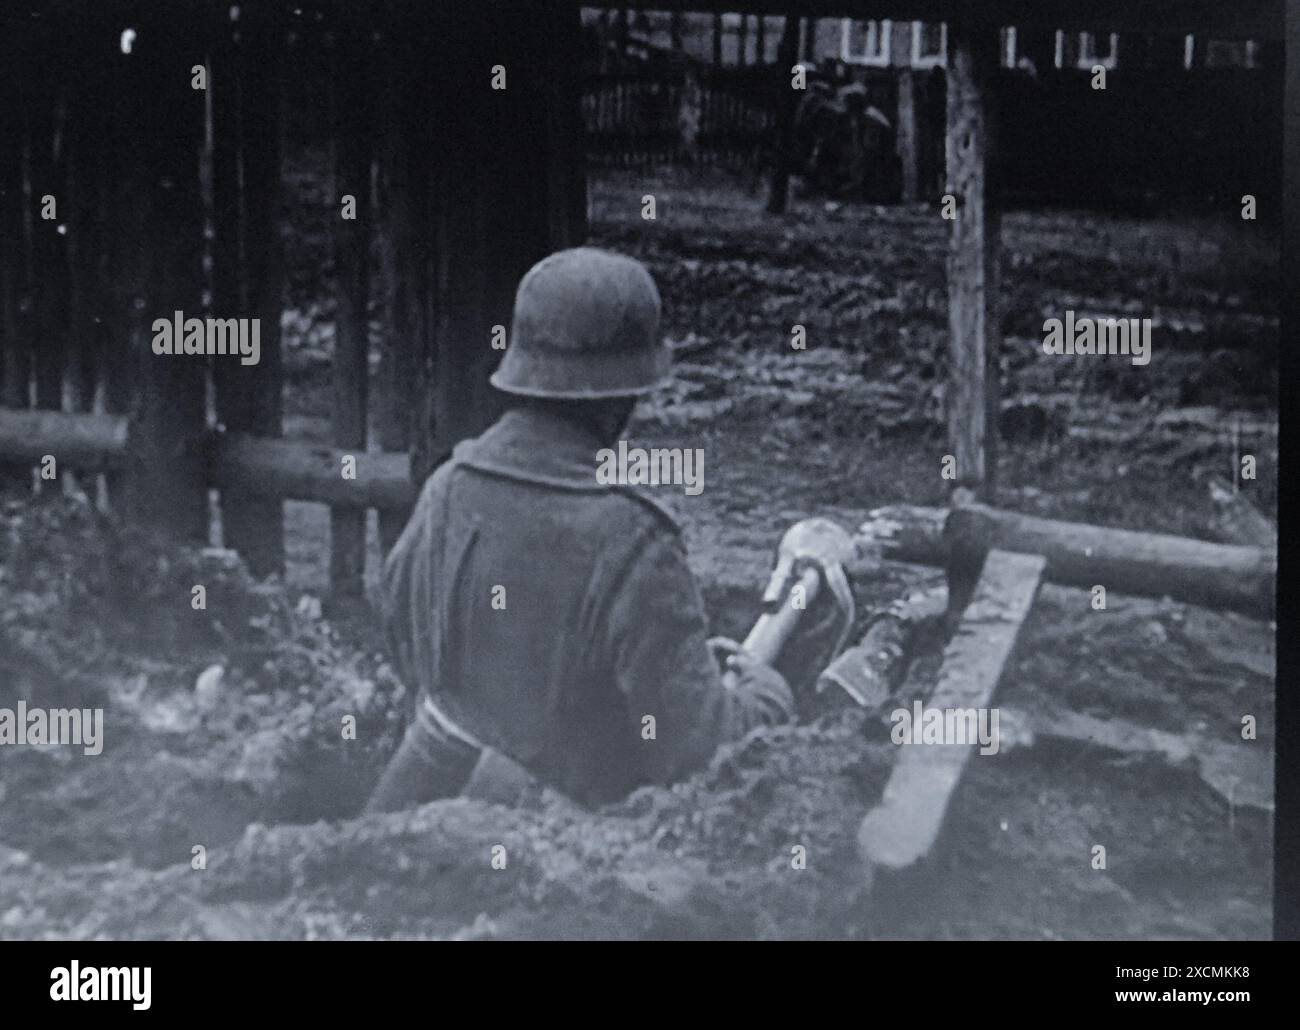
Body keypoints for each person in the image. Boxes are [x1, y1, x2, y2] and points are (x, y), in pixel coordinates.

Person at [367, 247, 795, 812]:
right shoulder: (634, 540)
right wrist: (767, 695)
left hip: (404, 811)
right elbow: (699, 752)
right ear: (625, 396)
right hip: (549, 857)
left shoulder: (446, 487)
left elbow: (397, 634)